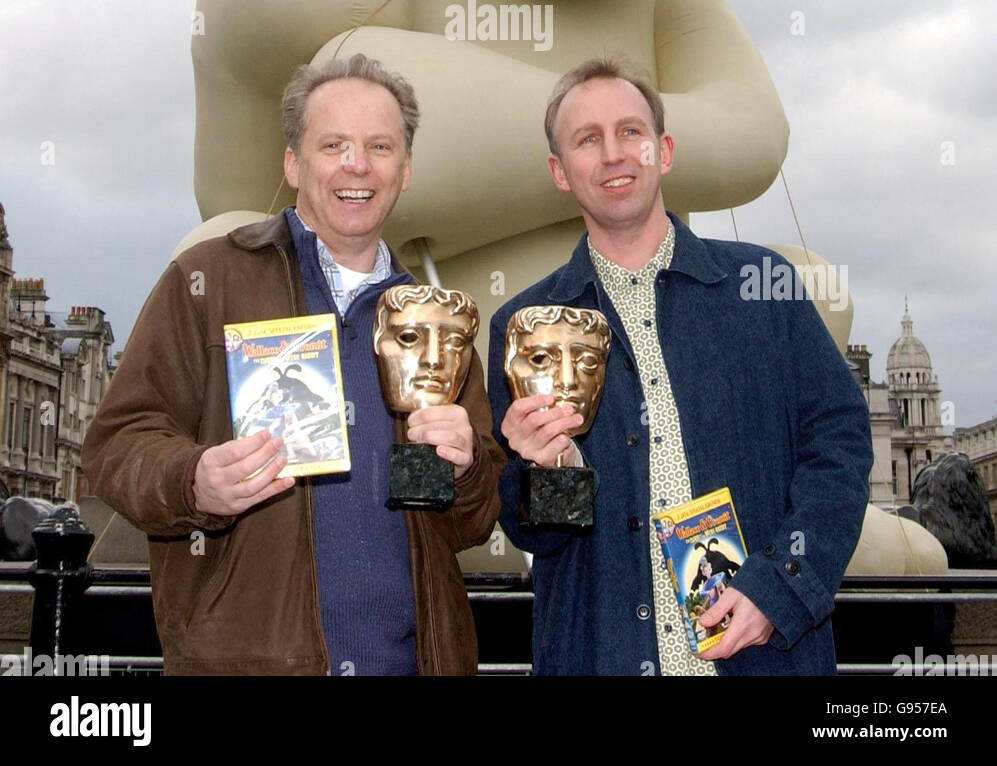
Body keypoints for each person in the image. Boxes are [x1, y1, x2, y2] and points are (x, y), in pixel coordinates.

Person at [83, 54, 503, 676]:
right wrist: (193, 480)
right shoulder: (206, 279)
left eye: (379, 146)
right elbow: (114, 446)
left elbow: (476, 521)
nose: (356, 165)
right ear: (292, 163)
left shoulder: (438, 319)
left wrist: (467, 472)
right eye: (333, 144)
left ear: (405, 169)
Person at [488, 57, 872, 676]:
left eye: (630, 132)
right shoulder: (523, 325)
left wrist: (782, 589)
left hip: (763, 657)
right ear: (560, 172)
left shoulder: (763, 284)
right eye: (587, 139)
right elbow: (534, 534)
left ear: (662, 151)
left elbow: (841, 445)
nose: (613, 154)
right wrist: (551, 468)